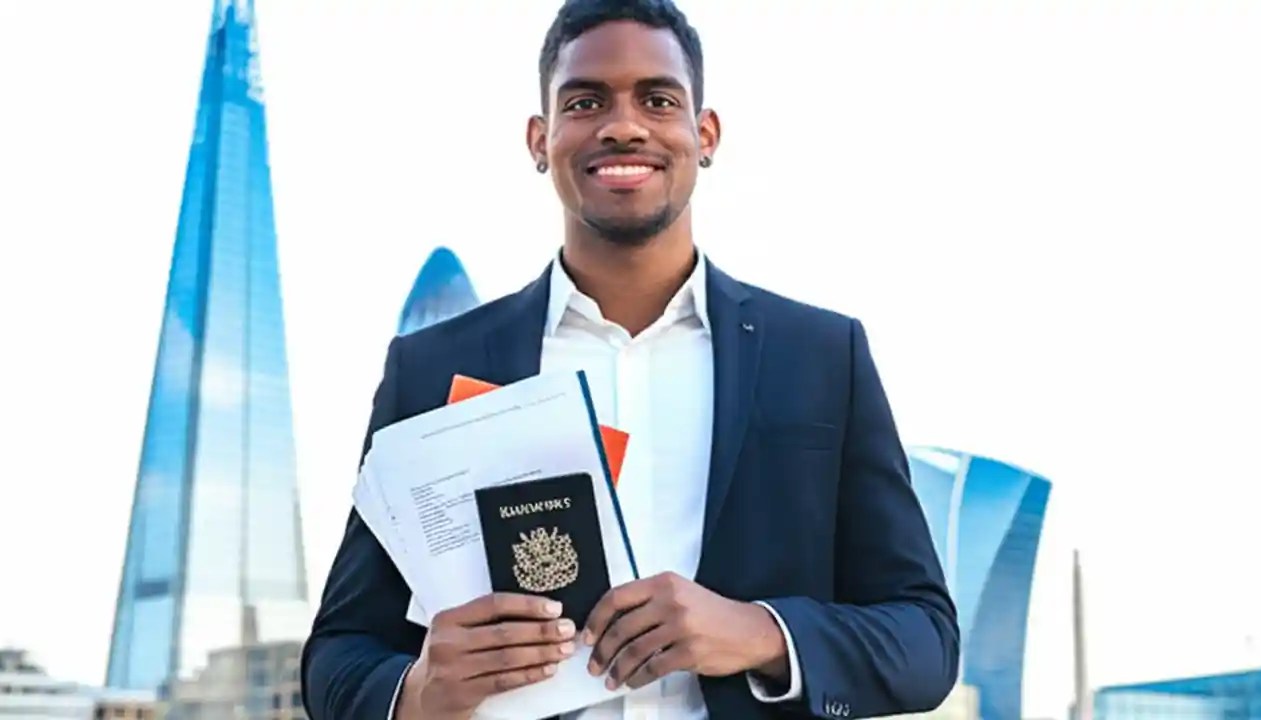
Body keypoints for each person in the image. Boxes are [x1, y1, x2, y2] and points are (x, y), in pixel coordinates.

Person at [300, 0, 960, 718]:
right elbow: (339, 654)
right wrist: (421, 691)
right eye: (585, 102)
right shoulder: (430, 368)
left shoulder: (822, 358)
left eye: (658, 99)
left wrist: (759, 633)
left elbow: (925, 638)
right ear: (540, 139)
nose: (623, 125)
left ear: (705, 134)